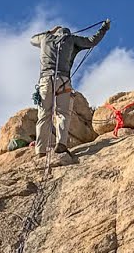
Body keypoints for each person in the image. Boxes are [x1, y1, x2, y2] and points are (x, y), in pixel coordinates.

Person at [29, 21, 110, 159]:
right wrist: (103, 29)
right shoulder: (71, 39)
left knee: (44, 115)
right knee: (63, 114)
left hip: (45, 81)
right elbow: (92, 41)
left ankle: (40, 151)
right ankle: (61, 144)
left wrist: (49, 31)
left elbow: (32, 39)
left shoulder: (45, 38)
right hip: (63, 80)